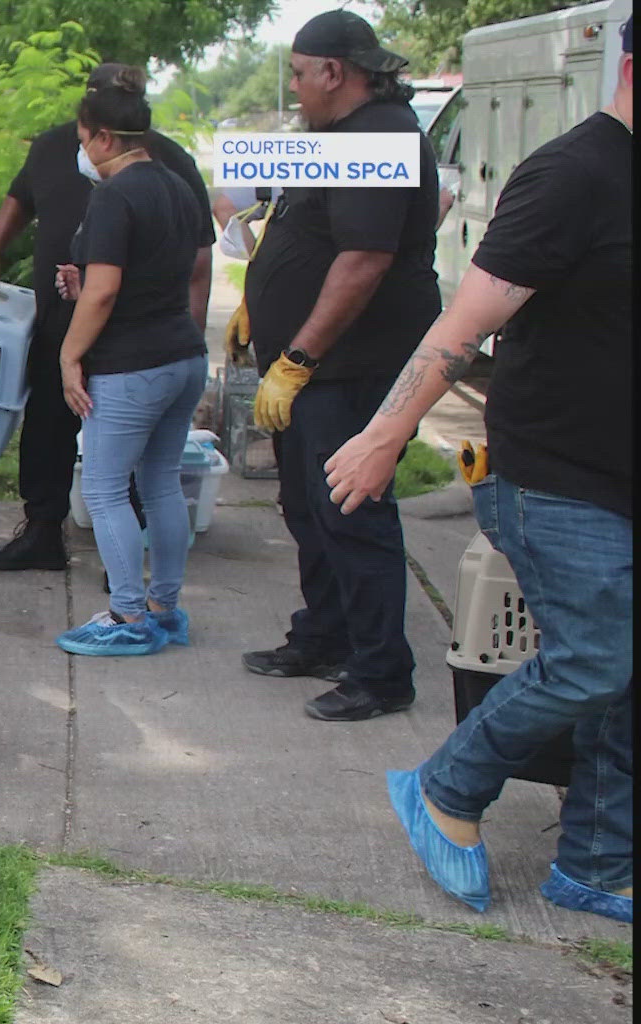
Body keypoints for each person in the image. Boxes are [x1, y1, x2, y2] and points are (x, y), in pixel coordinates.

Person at [325, 20, 632, 923]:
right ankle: (446, 788)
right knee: (595, 661)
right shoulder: (574, 174)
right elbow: (464, 324)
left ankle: (597, 862)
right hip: (557, 475)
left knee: (627, 679)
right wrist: (386, 434)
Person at [239, 10, 441, 722]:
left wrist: (299, 355)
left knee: (350, 509)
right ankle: (324, 636)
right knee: (305, 505)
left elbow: (364, 260)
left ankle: (382, 673)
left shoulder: (381, 136)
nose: (293, 87)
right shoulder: (342, 137)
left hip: (350, 365)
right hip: (316, 367)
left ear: (333, 71)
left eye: (299, 73)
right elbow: (294, 222)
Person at [0, 65, 214, 574]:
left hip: (127, 343)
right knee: (55, 432)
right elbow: (22, 200)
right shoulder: (58, 150)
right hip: (76, 321)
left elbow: (184, 264)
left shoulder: (140, 179)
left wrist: (73, 354)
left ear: (105, 131)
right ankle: (52, 534)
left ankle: (125, 578)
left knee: (116, 478)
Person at [41, 65, 209, 657]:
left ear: (105, 138)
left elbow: (106, 291)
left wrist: (69, 355)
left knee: (107, 488)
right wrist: (85, 283)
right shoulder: (177, 187)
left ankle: (127, 616)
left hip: (131, 366)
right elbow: (158, 272)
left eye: (83, 141)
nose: (82, 153)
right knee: (161, 483)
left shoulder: (114, 195)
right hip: (183, 355)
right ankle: (165, 608)